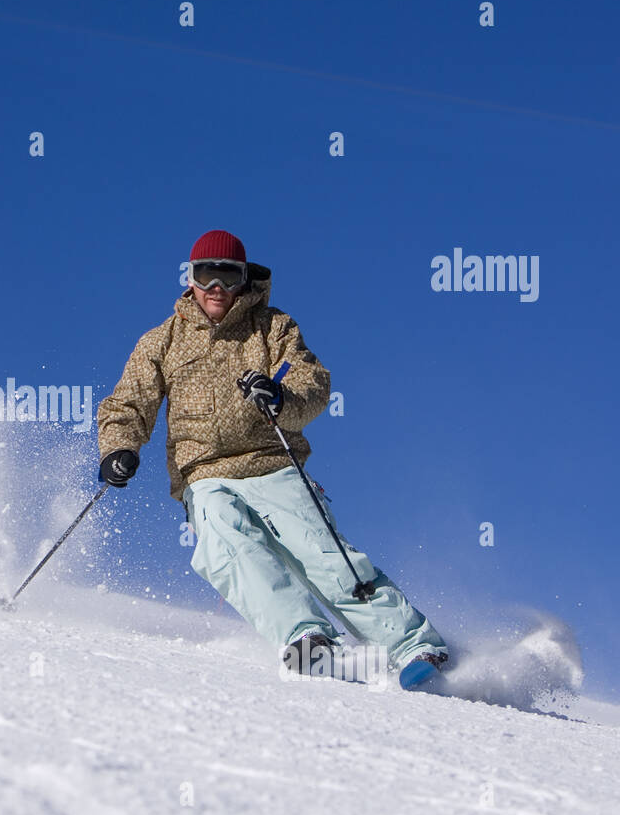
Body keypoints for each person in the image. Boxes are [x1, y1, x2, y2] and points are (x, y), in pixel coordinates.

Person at [96, 229, 448, 684]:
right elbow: (129, 402)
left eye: (228, 275)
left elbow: (312, 383)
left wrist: (279, 397)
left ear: (244, 279)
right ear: (190, 279)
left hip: (273, 462)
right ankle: (308, 639)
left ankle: (414, 645)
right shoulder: (161, 341)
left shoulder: (272, 327)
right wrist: (119, 447)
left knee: (320, 552)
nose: (217, 288)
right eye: (207, 275)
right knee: (228, 544)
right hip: (203, 474)